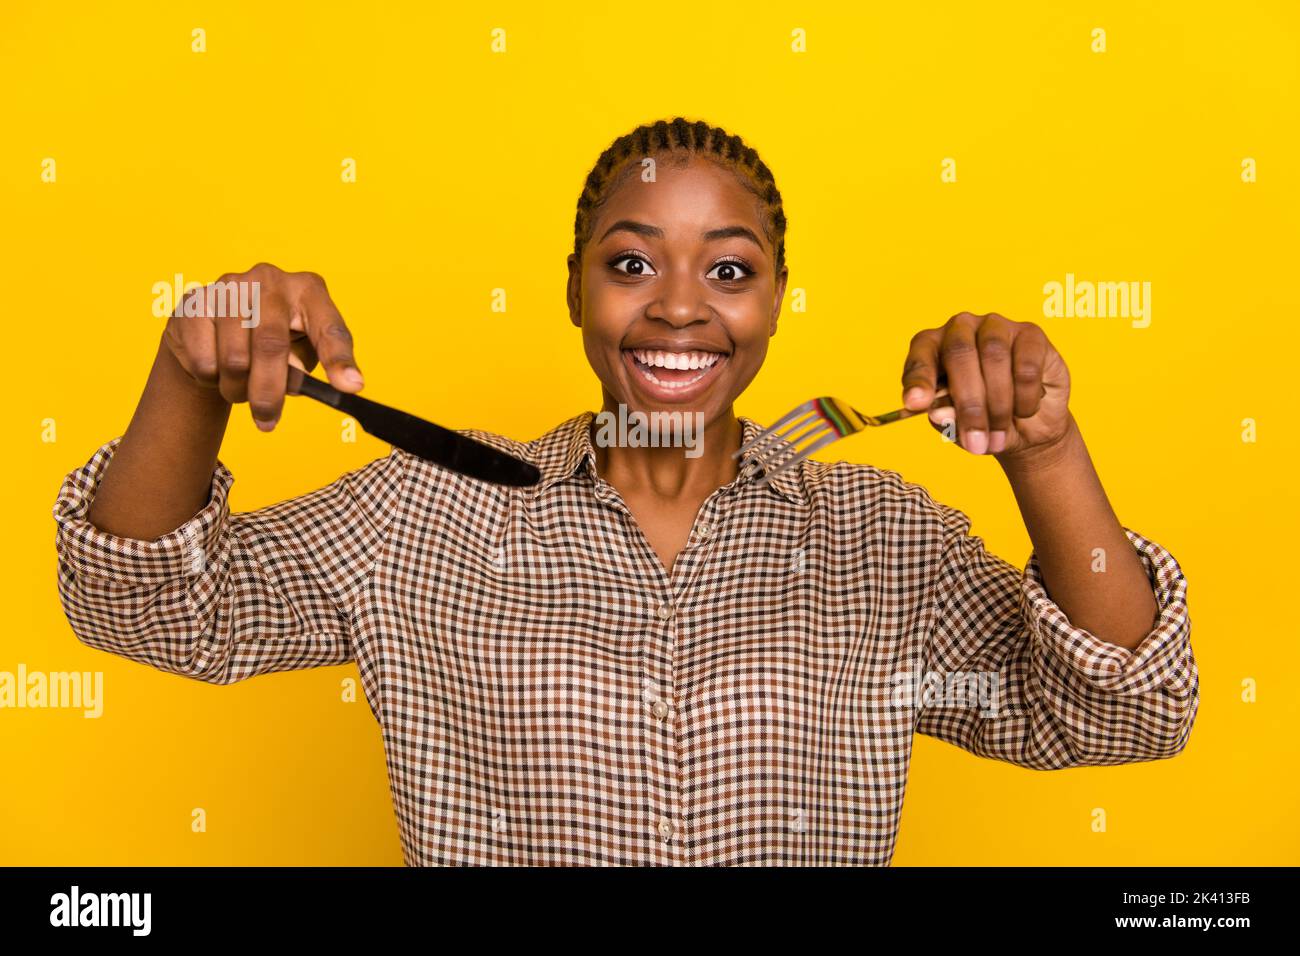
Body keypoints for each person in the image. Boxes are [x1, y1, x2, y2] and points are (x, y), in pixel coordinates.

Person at [52, 117, 1197, 866]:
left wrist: (1043, 454)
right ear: (575, 290)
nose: (680, 305)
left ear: (777, 301)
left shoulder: (883, 540)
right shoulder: (422, 514)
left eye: (730, 269)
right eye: (632, 261)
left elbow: (1123, 710)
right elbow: (145, 605)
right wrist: (186, 377)